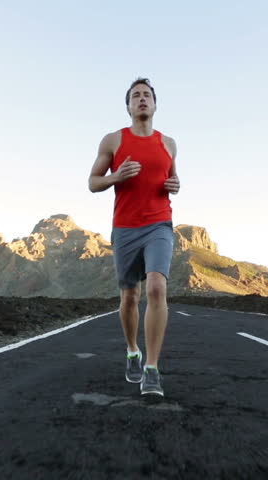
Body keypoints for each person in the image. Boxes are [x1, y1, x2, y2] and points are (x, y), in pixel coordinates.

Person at [88, 78, 180, 396]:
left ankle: (152, 370)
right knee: (130, 297)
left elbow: (173, 176)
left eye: (147, 95)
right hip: (125, 228)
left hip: (160, 225)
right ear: (128, 106)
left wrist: (175, 184)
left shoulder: (168, 143)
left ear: (155, 104)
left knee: (156, 288)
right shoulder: (113, 140)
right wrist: (116, 176)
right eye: (136, 96)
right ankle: (132, 351)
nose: (142, 99)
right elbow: (92, 182)